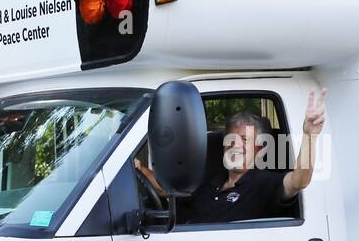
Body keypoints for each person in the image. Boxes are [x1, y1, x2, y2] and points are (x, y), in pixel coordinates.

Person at [136, 89, 327, 223]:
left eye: (244, 139)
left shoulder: (264, 183)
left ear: (259, 149)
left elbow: (299, 181)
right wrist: (137, 167)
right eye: (231, 139)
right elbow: (165, 189)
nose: (236, 145)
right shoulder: (210, 180)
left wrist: (310, 135)